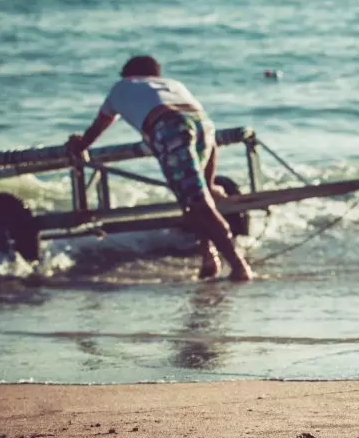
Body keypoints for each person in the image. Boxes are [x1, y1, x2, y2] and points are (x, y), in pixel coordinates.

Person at [66, 55, 253, 281]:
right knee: (197, 200)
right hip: (205, 126)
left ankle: (239, 266)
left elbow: (100, 126)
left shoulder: (121, 87)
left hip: (171, 127)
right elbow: (201, 126)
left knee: (199, 204)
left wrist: (80, 143)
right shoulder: (173, 84)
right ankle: (209, 258)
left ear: (128, 74)